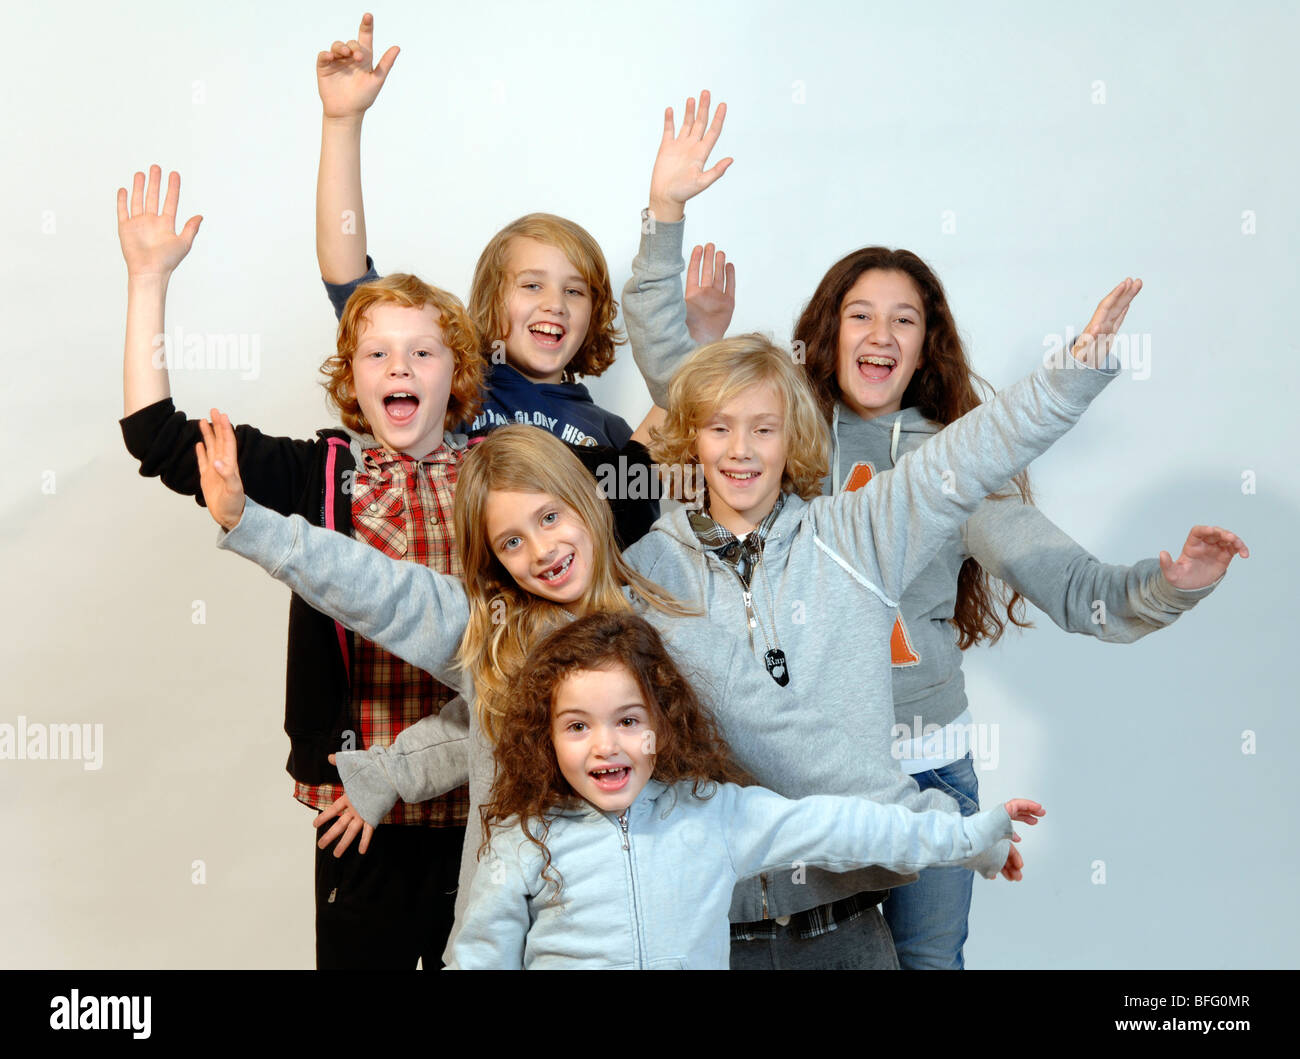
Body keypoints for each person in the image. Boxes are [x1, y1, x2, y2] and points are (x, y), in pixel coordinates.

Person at [197, 258, 1119, 968]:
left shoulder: (852, 534)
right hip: (705, 921)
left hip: (845, 904)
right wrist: (252, 525)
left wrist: (1069, 376)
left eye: (762, 427)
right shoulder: (635, 579)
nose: (741, 450)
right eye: (718, 429)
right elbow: (398, 605)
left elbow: (961, 463)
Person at [620, 94, 1249, 968]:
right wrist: (665, 215)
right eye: (861, 314)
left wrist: (1165, 583)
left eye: (904, 319)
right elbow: (677, 369)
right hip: (795, 757)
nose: (880, 334)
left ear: (926, 346)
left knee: (921, 964)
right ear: (828, 330)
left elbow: (1072, 585)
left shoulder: (947, 467)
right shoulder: (767, 428)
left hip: (922, 764)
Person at [116, 164, 482, 969]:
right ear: (350, 375)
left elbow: (621, 493)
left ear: (456, 375)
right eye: (378, 352)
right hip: (360, 809)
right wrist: (149, 281)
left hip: (485, 808)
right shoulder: (319, 473)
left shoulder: (504, 472)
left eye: (423, 351)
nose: (400, 367)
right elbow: (155, 434)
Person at [449, 611, 1042, 970]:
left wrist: (966, 833)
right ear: (546, 737)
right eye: (578, 726)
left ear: (662, 723)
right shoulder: (524, 839)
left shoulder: (713, 815)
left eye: (628, 721)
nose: (606, 745)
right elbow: (479, 958)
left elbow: (845, 824)